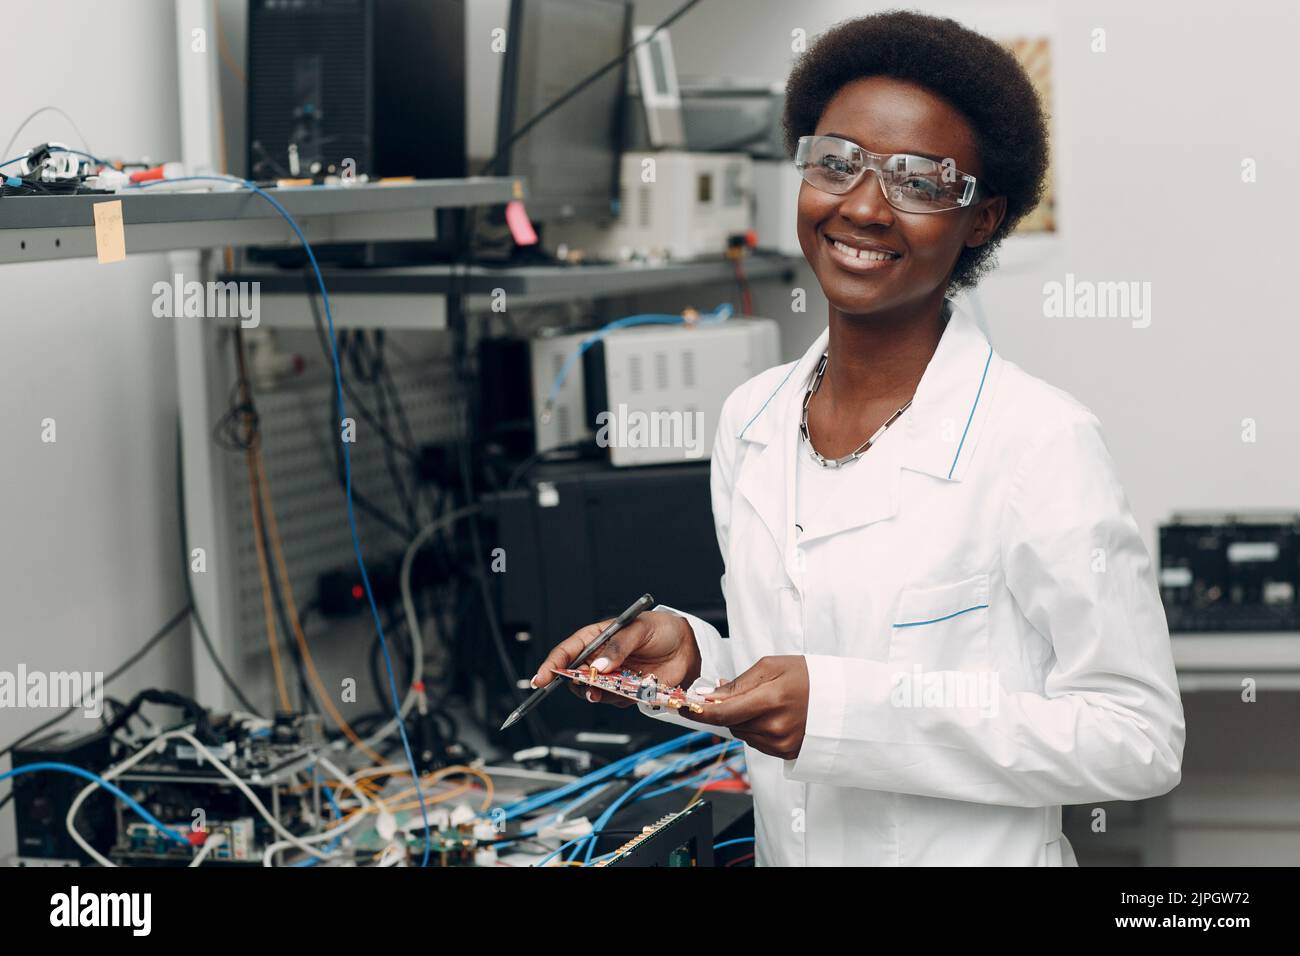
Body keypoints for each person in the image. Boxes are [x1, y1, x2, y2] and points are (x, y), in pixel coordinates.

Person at [532, 10, 1183, 866]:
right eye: (837, 163)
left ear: (980, 218)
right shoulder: (753, 421)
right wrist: (694, 655)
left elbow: (1135, 737)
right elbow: (800, 660)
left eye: (918, 181)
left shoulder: (1038, 442)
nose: (865, 206)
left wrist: (848, 715)